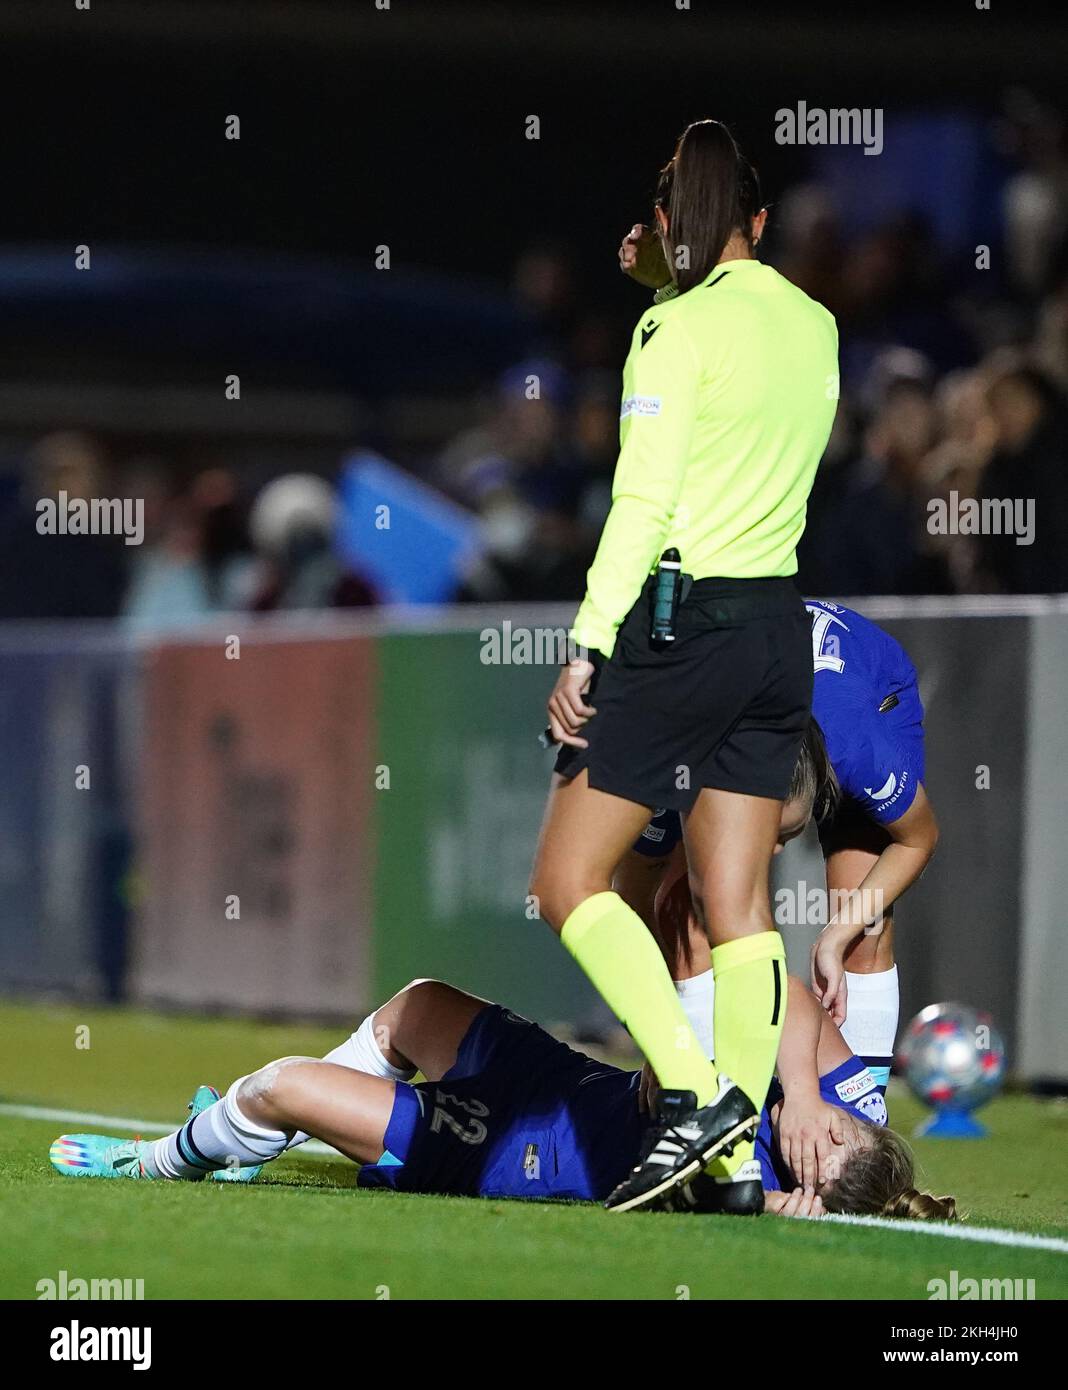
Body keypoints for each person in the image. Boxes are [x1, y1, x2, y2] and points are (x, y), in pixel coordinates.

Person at [529, 119, 839, 1213]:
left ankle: (699, 1090)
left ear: (666, 221)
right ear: (761, 219)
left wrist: (589, 637)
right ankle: (738, 1161)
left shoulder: (672, 330)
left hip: (679, 618)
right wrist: (670, 283)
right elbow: (743, 391)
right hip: (774, 629)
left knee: (567, 883)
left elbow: (647, 498)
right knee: (740, 899)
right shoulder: (817, 324)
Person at [47, 975, 954, 1224]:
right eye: (832, 1130)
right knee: (418, 1006)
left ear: (817, 1190)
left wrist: (772, 1213)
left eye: (814, 1153)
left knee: (280, 1084)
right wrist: (800, 1090)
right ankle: (252, 1146)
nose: (805, 1136)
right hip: (557, 1081)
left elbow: (664, 1103)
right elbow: (787, 994)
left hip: (516, 1155)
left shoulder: (769, 1196)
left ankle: (165, 1157)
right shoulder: (843, 1096)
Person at [618, 601, 939, 1095]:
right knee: (680, 914)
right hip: (726, 708)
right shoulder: (669, 764)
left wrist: (835, 936)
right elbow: (636, 892)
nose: (770, 855)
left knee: (864, 931)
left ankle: (858, 1127)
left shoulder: (855, 750)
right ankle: (706, 1115)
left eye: (787, 836)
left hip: (870, 689)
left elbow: (917, 837)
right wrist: (667, 1032)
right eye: (759, 835)